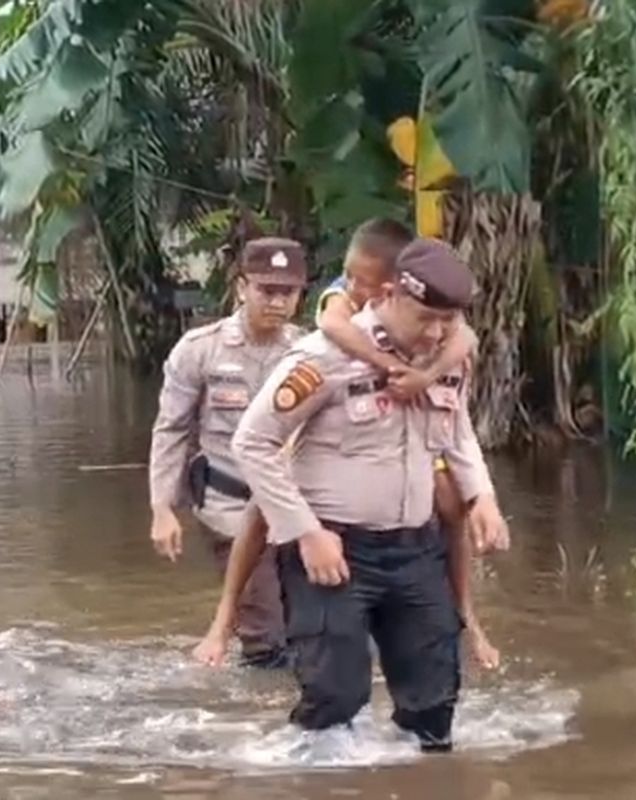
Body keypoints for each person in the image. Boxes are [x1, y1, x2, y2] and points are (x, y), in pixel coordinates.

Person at [220, 239, 509, 752]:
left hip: (416, 547)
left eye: (450, 319)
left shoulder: (446, 357)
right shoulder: (325, 356)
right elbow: (253, 441)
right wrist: (305, 533)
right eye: (427, 316)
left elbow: (457, 429)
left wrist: (482, 496)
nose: (439, 331)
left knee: (435, 699)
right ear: (391, 293)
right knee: (334, 695)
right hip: (333, 549)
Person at [317, 219, 498, 667]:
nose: (357, 287)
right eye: (353, 277)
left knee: (451, 503)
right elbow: (331, 324)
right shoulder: (343, 294)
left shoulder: (429, 310)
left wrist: (424, 376)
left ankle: (466, 617)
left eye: (368, 281)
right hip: (344, 433)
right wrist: (385, 365)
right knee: (269, 503)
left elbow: (467, 339)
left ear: (398, 286)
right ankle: (226, 617)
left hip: (417, 431)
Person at [148, 237, 307, 668]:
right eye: (266, 290)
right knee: (264, 633)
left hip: (292, 506)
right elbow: (171, 429)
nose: (277, 301)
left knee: (313, 627)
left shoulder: (307, 351)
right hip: (229, 504)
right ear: (241, 288)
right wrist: (163, 507)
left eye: (287, 292)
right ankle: (255, 716)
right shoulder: (201, 349)